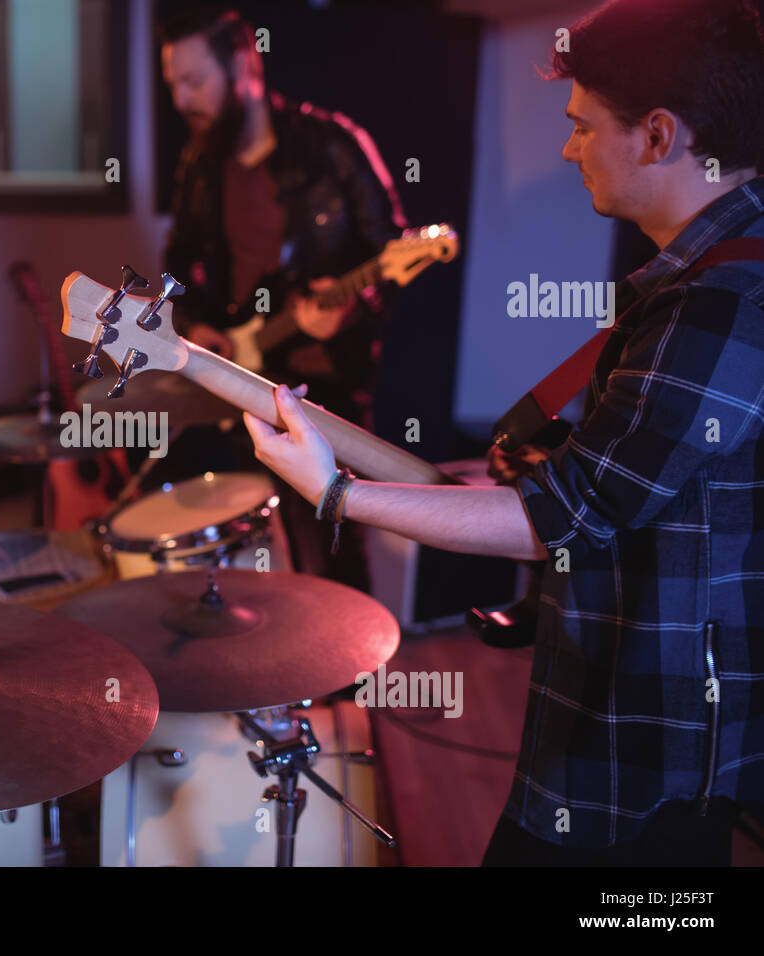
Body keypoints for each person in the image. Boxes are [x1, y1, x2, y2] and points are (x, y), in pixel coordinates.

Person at [244, 0, 764, 864]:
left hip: (640, 752)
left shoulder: (718, 304)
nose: (568, 149)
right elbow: (619, 488)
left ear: (658, 135)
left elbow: (556, 518)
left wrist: (337, 490)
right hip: (614, 708)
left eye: (582, 126)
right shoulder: (703, 276)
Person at [158, 7, 407, 588]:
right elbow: (178, 263)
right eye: (173, 84)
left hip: (324, 383)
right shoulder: (199, 163)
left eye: (194, 81)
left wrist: (353, 307)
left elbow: (390, 260)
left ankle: (356, 676)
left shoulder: (334, 145)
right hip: (241, 370)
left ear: (245, 65)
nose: (181, 99)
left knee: (336, 540)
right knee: (247, 538)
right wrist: (196, 324)